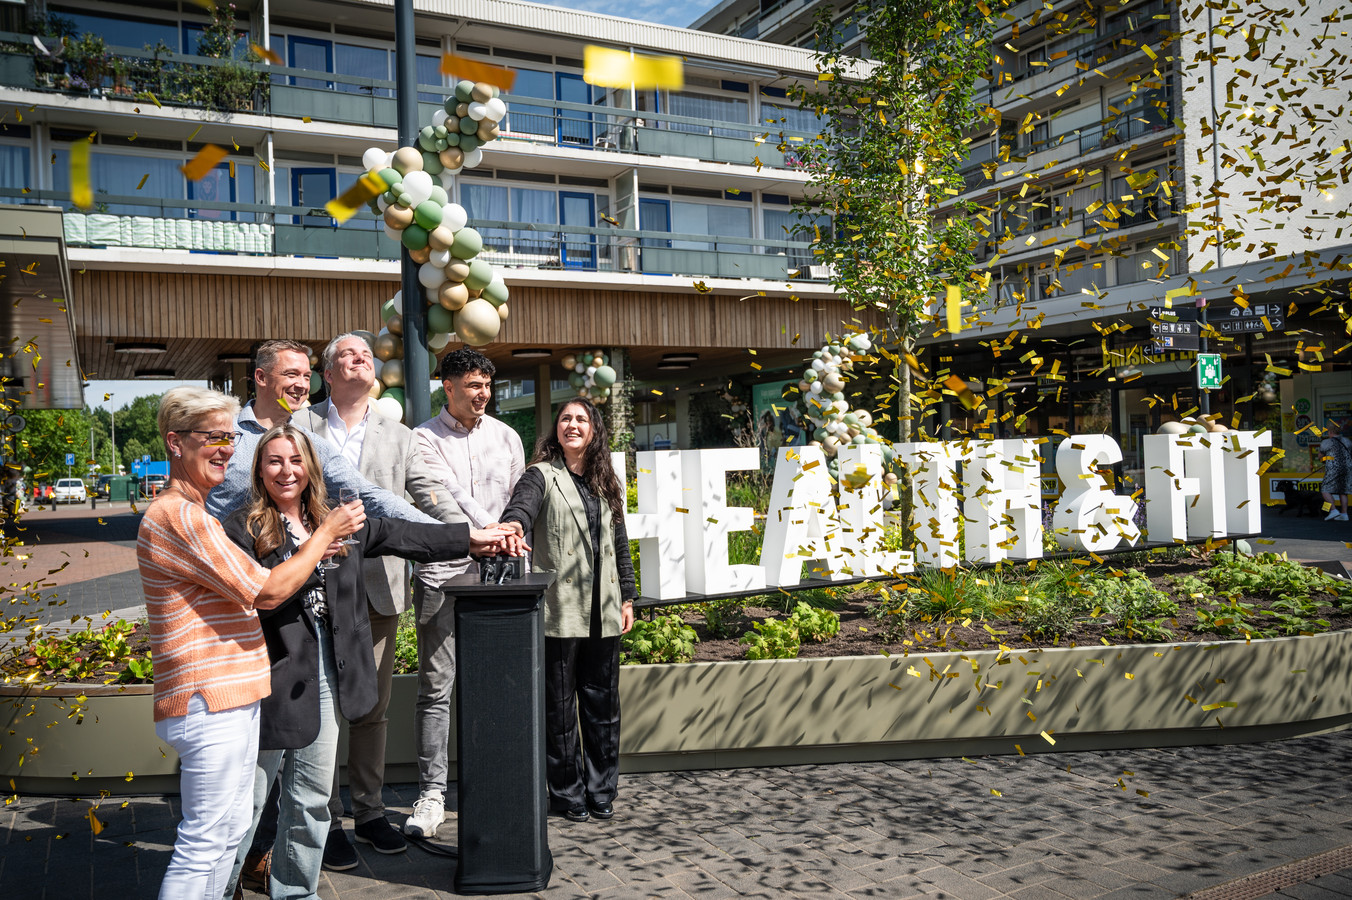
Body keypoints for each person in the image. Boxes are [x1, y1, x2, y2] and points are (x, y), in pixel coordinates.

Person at [223, 424, 519, 900]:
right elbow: (265, 593)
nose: (287, 471)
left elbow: (405, 534)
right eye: (275, 461)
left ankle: (295, 891)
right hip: (271, 676)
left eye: (296, 460)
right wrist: (322, 537)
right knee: (249, 800)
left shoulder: (335, 518)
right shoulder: (243, 527)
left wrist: (471, 540)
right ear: (259, 469)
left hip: (327, 673)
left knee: (313, 798)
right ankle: (219, 889)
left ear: (311, 467)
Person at [135, 387, 363, 900]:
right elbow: (268, 589)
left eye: (231, 437)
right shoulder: (182, 517)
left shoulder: (193, 513)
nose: (226, 448)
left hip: (231, 698)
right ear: (174, 442)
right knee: (204, 843)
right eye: (212, 437)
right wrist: (323, 536)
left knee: (227, 834)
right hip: (208, 700)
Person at [292, 333, 466, 866]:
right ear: (327, 371)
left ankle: (367, 812)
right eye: (348, 354)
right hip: (308, 586)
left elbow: (428, 497)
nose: (361, 359)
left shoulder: (400, 434)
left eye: (367, 354)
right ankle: (324, 820)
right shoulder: (301, 427)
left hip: (378, 587)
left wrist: (469, 533)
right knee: (317, 710)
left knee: (369, 707)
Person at [500, 398, 638, 823]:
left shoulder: (604, 481)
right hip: (560, 610)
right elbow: (520, 509)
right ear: (556, 429)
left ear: (594, 429)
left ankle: (601, 789)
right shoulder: (540, 476)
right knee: (559, 709)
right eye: (565, 419)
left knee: (603, 706)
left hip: (605, 607)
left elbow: (619, 545)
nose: (572, 425)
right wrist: (513, 525)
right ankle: (566, 792)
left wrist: (628, 597)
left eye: (581, 419)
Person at [406, 348, 525, 838]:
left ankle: (494, 783)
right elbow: (448, 495)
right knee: (437, 689)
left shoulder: (507, 436)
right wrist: (492, 530)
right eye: (474, 385)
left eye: (487, 386)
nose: (484, 395)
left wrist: (512, 530)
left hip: (501, 579)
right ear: (447, 386)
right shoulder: (422, 438)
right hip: (443, 577)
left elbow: (521, 494)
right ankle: (431, 795)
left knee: (499, 686)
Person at [205, 339, 441, 527]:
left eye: (306, 376)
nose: (302, 385)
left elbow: (368, 495)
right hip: (220, 575)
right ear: (261, 377)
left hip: (287, 579)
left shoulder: (309, 443)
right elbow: (189, 492)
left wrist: (447, 532)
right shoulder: (226, 434)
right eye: (291, 374)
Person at [1319, 423, 1350, 521]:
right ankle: (1344, 514)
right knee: (1343, 490)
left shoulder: (1326, 442)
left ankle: (1333, 510)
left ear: (1330, 431)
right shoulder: (1347, 441)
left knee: (1325, 489)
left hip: (1333, 468)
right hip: (1347, 468)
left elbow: (1320, 457)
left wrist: (1326, 459)